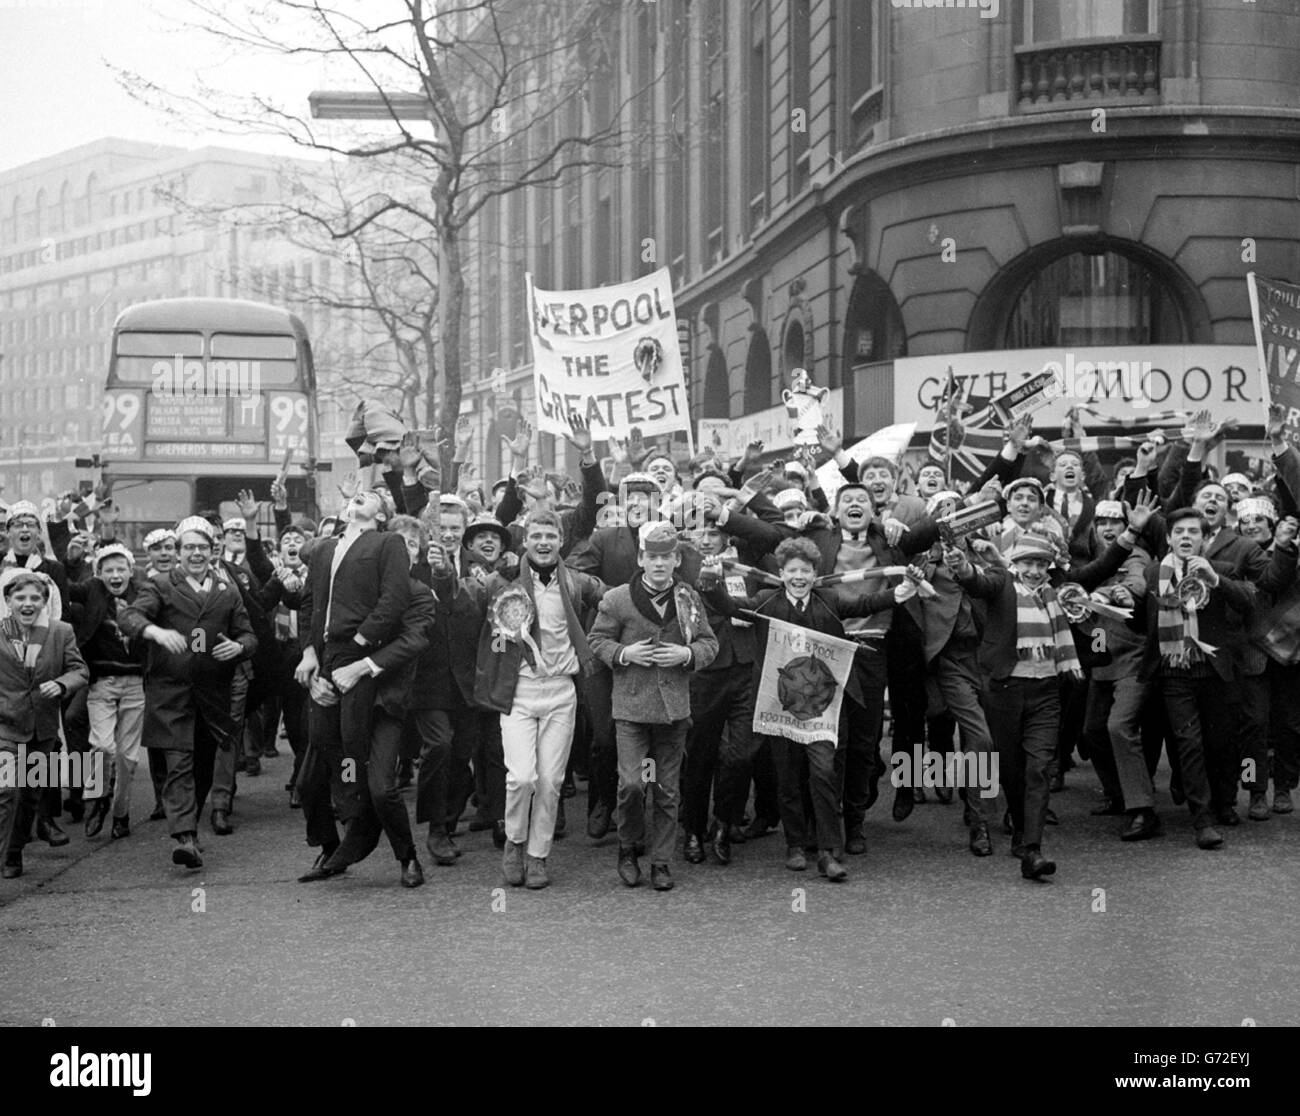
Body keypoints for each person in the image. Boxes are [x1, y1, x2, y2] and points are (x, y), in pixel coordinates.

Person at [472, 510, 605, 890]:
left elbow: (614, 600)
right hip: (519, 691)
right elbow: (468, 598)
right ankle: (514, 843)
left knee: (550, 780)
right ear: (524, 541)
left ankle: (537, 855)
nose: (543, 542)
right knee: (522, 777)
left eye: (550, 535)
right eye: (536, 536)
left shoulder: (576, 582)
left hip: (561, 690)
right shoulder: (504, 580)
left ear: (560, 540)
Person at [119, 517, 258, 870]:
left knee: (202, 767)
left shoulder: (226, 591)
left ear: (213, 551)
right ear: (179, 552)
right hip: (171, 693)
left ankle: (189, 825)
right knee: (178, 762)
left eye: (203, 547)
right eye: (189, 547)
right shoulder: (161, 585)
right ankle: (185, 837)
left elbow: (249, 635)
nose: (196, 553)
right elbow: (130, 617)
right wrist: (154, 632)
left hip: (213, 694)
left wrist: (239, 649)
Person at [589, 522, 718, 891]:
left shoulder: (689, 597)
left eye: (667, 557)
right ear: (641, 559)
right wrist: (623, 653)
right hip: (630, 708)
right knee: (631, 784)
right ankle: (628, 848)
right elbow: (596, 640)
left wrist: (688, 653)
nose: (659, 564)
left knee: (666, 789)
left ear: (677, 560)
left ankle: (662, 862)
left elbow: (710, 644)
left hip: (673, 709)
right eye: (652, 557)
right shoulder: (617, 599)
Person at [292, 490, 413, 882]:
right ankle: (332, 847)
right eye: (356, 494)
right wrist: (310, 653)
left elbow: (393, 601)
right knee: (313, 774)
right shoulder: (324, 549)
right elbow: (309, 605)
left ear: (381, 515)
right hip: (325, 658)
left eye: (371, 496)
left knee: (356, 753)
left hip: (358, 655)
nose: (359, 496)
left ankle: (397, 851)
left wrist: (359, 645)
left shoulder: (387, 543)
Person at [0, 571, 89, 879]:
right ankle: (4, 858)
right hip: (5, 726)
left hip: (43, 727)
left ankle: (14, 850)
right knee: (6, 791)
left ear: (44, 602)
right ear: (8, 601)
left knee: (29, 794)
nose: (28, 604)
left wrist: (62, 685)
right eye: (20, 598)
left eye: (35, 598)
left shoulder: (60, 631)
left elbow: (80, 670)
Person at [68, 544, 147, 840]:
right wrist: (68, 552)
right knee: (102, 747)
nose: (115, 575)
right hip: (101, 683)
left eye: (120, 569)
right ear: (99, 574)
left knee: (127, 758)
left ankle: (121, 813)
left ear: (130, 571)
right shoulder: (92, 590)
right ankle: (98, 797)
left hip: (136, 684)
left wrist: (196, 645)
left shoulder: (143, 594)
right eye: (108, 570)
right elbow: (62, 584)